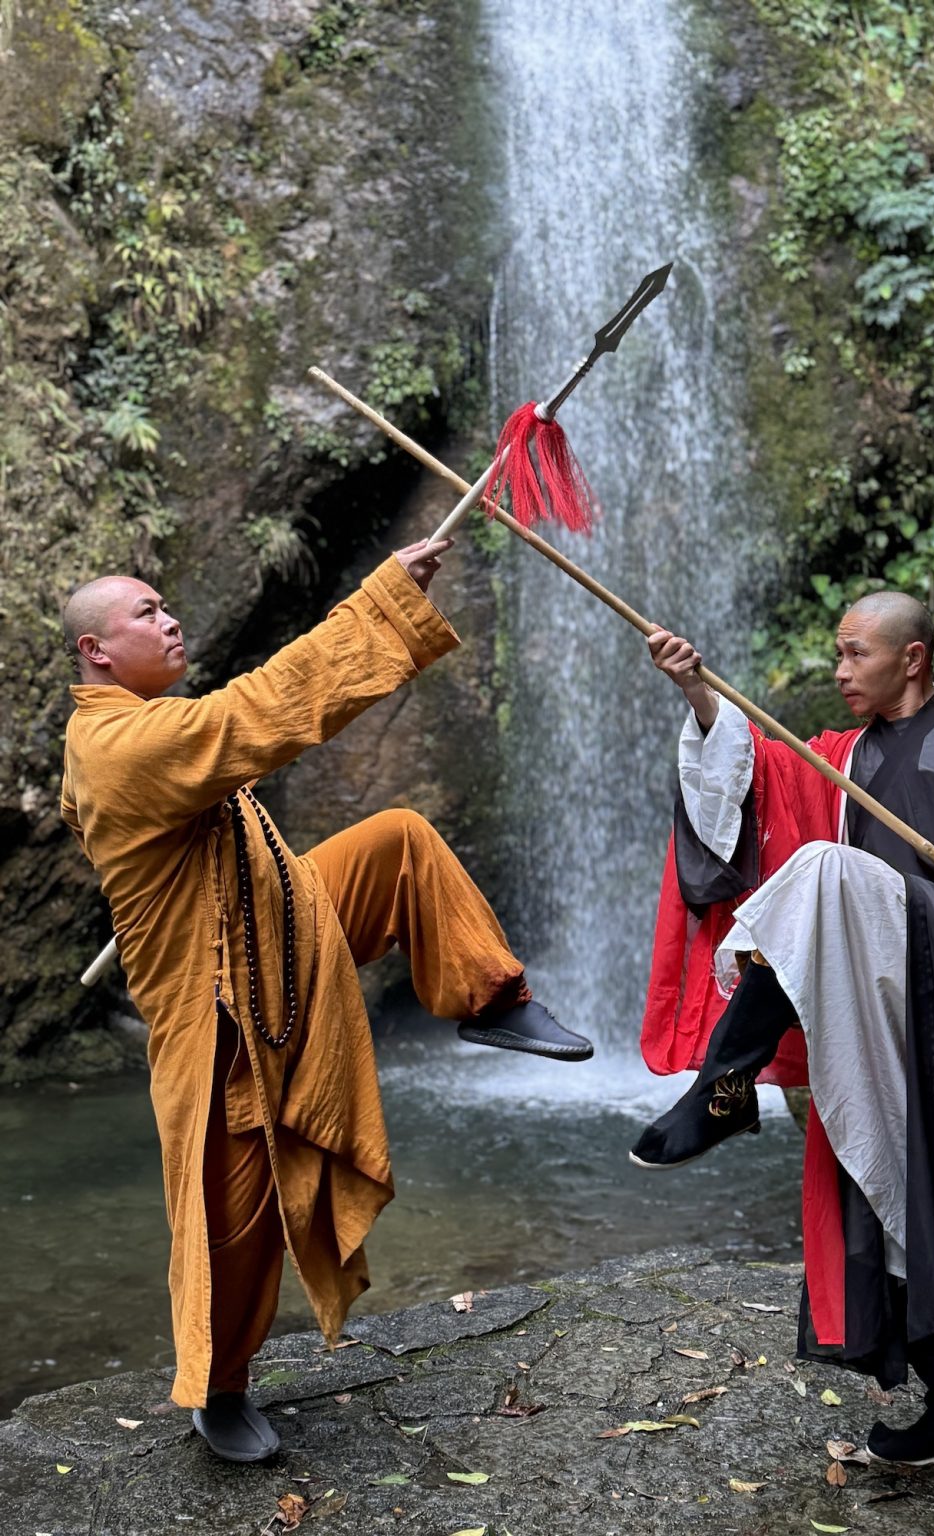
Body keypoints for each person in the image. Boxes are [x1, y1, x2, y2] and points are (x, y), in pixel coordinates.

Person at [59, 539, 592, 1463]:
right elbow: (263, 713)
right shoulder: (115, 745)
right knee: (233, 1219)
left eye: (165, 604)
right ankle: (218, 1388)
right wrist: (382, 601)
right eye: (145, 611)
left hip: (282, 925)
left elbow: (235, 736)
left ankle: (489, 997)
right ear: (96, 652)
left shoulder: (154, 732)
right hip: (218, 1004)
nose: (170, 617)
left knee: (397, 841)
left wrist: (386, 604)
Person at [632, 591, 934, 1466]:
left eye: (857, 654)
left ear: (914, 658)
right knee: (887, 1190)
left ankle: (723, 1084)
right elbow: (749, 790)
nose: (839, 670)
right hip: (883, 995)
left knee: (821, 866)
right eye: (836, 653)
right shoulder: (835, 759)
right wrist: (699, 695)